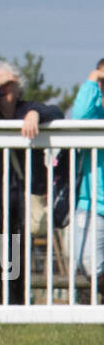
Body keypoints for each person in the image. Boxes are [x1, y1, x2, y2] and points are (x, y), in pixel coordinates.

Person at [0, 62, 62, 305]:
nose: (5, 92)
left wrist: (36, 114)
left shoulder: (26, 109)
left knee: (15, 270)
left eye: (10, 86)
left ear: (19, 89)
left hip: (18, 206)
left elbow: (57, 112)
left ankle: (16, 317)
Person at [69, 59, 104, 298]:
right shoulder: (95, 113)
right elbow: (79, 116)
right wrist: (93, 78)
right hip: (92, 202)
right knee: (86, 262)